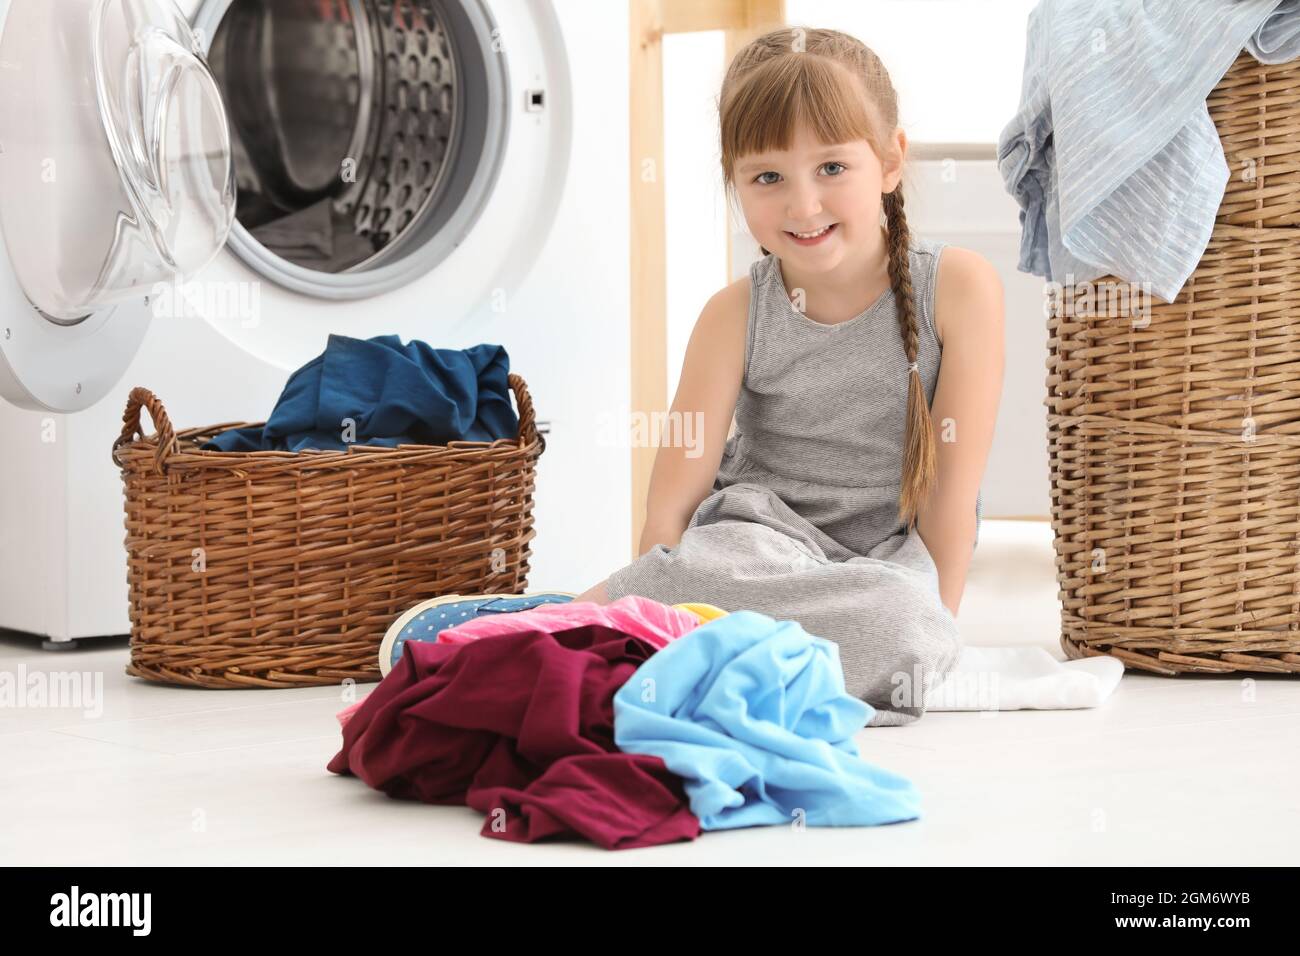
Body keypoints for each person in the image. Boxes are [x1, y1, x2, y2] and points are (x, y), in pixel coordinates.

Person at [573, 27, 1005, 726]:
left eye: (832, 168)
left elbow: (951, 500)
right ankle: (586, 629)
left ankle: (672, 643)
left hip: (883, 565)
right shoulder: (734, 313)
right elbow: (671, 509)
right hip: (757, 541)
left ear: (890, 161)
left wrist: (937, 628)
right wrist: (657, 592)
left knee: (902, 625)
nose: (803, 206)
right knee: (701, 568)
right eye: (768, 177)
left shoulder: (957, 289)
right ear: (735, 181)